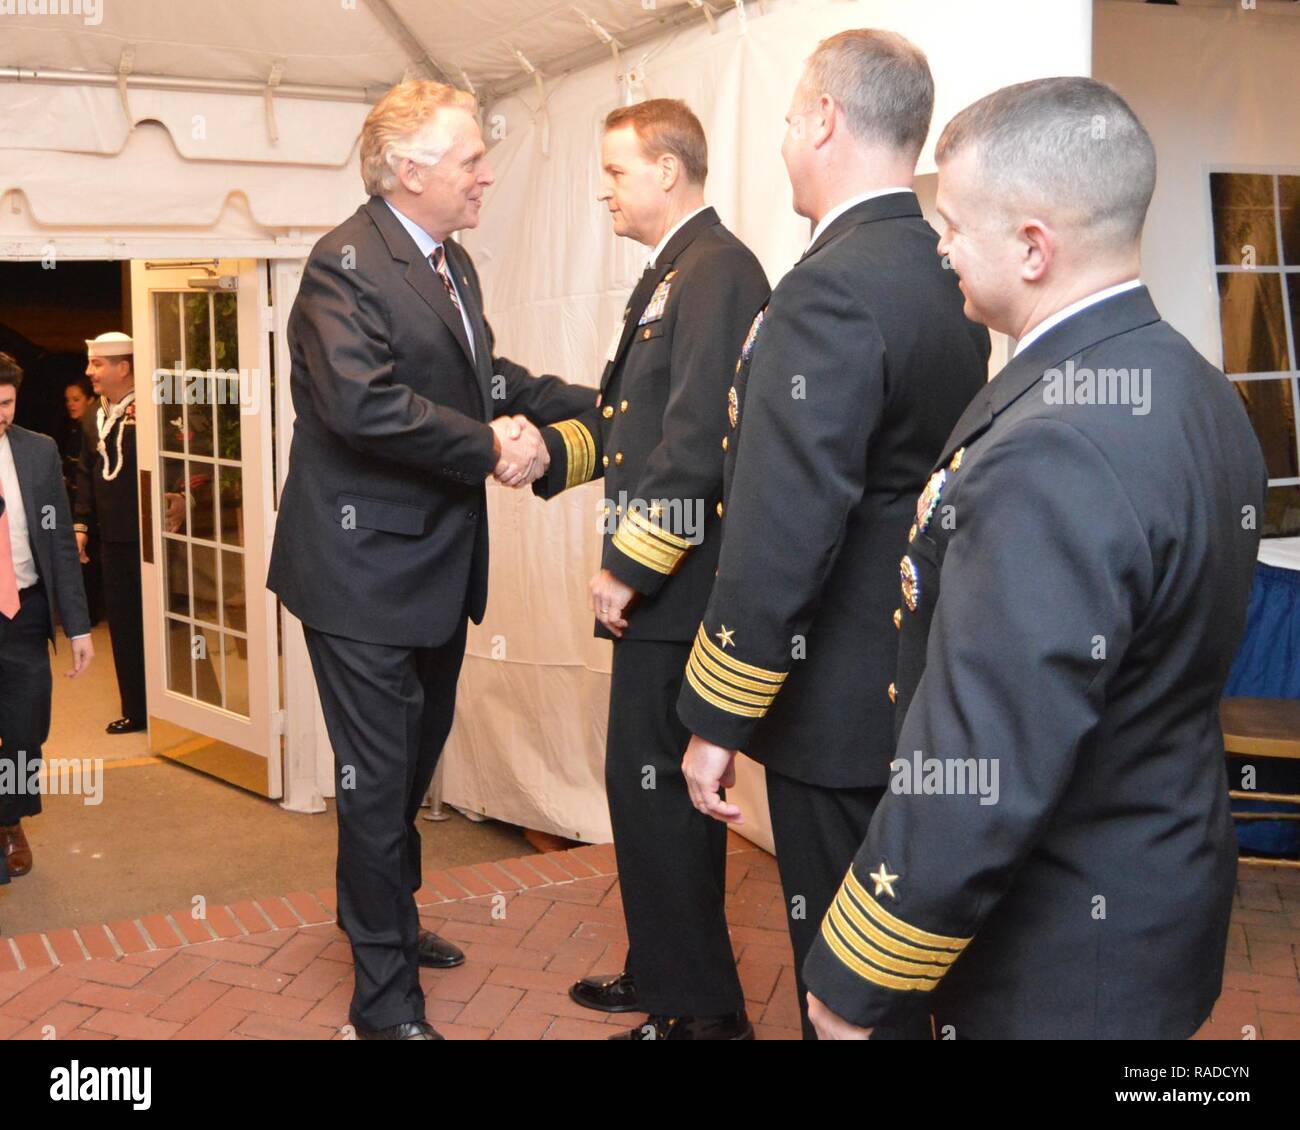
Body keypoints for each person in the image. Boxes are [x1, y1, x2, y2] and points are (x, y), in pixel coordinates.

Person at [802, 77, 1267, 1040]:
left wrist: (859, 973)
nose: (938, 247)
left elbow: (984, 752)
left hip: (1058, 945)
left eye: (953, 225)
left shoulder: (1054, 444)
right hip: (1157, 894)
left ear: (1032, 246)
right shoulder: (1193, 385)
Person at [674, 29, 990, 1039]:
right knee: (900, 957)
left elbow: (782, 528)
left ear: (820, 119)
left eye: (785, 118)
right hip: (917, 671)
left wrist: (715, 716)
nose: (780, 140)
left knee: (842, 984)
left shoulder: (828, 284)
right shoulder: (944, 266)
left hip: (837, 699)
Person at [266, 79, 594, 1042]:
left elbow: (481, 378)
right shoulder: (344, 265)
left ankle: (388, 923)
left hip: (437, 573)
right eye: (470, 160)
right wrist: (494, 445)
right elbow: (364, 406)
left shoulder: (450, 264)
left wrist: (602, 402)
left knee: (402, 775)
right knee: (377, 785)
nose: (487, 175)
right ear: (410, 171)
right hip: (361, 578)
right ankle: (382, 1002)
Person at [532, 99, 769, 1040]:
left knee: (663, 794)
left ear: (668, 171)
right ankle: (659, 969)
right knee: (642, 787)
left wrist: (629, 565)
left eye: (618, 170)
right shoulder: (678, 268)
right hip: (663, 586)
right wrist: (546, 449)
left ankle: (700, 1015)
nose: (605, 189)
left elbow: (695, 442)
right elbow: (626, 421)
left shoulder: (717, 270)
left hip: (679, 587)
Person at [0, 353, 93, 882]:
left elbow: (59, 544)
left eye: (7, 404)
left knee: (25, 728)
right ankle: (5, 822)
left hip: (25, 612)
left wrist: (78, 627)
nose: (0, 414)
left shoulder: (38, 453)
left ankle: (8, 816)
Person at [74, 332, 147, 735]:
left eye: (97, 364)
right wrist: (81, 525)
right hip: (113, 538)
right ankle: (136, 708)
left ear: (123, 367)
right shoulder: (92, 415)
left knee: (167, 622)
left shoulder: (153, 408)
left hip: (154, 536)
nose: (89, 372)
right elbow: (86, 473)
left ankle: (188, 712)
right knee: (122, 624)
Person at [61, 375, 102, 625]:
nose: (70, 404)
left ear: (91, 400)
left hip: (92, 507)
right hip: (72, 503)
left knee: (90, 558)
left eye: (76, 399)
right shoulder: (71, 430)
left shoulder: (95, 431)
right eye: (67, 400)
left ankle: (93, 613)